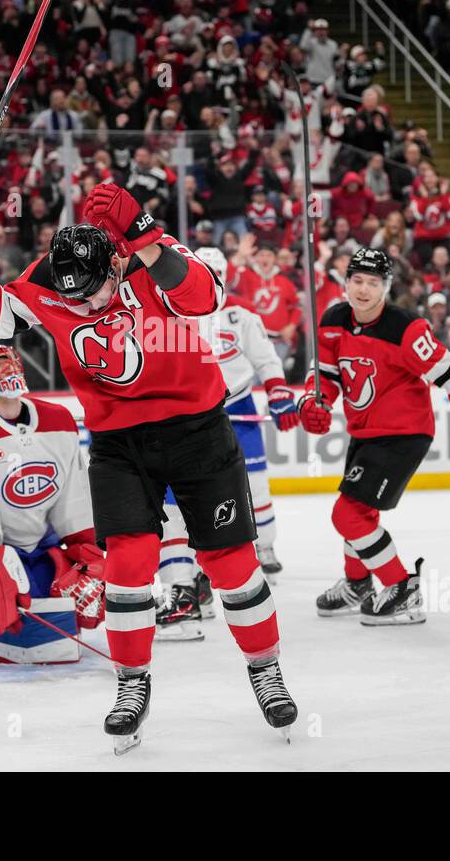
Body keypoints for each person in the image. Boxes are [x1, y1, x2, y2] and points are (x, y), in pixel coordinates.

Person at [0, 182, 297, 752]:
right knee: (127, 564)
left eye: (96, 292)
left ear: (116, 263)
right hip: (118, 442)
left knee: (231, 563)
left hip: (198, 431)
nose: (87, 306)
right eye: (74, 299)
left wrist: (145, 234)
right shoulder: (48, 278)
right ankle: (131, 683)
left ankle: (265, 669)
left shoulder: (147, 255)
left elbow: (205, 296)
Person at [298, 248, 450, 624]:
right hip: (365, 432)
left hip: (403, 433)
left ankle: (402, 587)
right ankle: (358, 584)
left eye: (372, 283)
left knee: (347, 514)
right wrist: (315, 402)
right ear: (346, 282)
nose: (363, 289)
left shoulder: (406, 329)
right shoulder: (333, 320)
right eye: (357, 280)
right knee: (360, 509)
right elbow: (325, 375)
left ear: (386, 287)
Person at [155, 245, 301, 641]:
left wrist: (278, 389)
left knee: (250, 488)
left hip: (235, 406)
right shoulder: (168, 314)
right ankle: (188, 586)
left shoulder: (240, 315)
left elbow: (266, 357)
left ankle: (256, 552)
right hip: (186, 417)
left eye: (214, 274)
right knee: (176, 505)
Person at [0, 343, 104, 635]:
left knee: (72, 608)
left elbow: (74, 497)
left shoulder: (58, 419)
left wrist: (87, 551)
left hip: (39, 544)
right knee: (23, 617)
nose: (7, 368)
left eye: (10, 361)